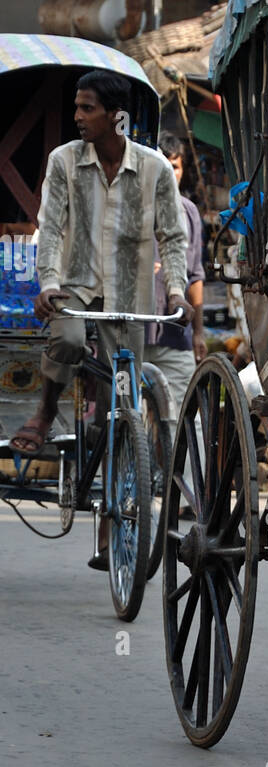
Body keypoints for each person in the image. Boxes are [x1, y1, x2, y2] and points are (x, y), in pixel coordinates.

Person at [9, 69, 190, 565]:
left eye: (87, 108)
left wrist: (176, 290)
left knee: (118, 409)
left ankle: (112, 523)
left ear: (117, 117)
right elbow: (50, 229)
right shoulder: (64, 162)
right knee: (66, 340)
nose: (77, 117)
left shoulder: (154, 170)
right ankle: (46, 410)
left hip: (129, 297)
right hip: (75, 288)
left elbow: (174, 238)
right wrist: (49, 283)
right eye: (76, 107)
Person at [143, 133, 207, 431]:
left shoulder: (189, 213)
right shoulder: (132, 208)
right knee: (132, 424)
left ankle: (183, 479)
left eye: (175, 167)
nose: (170, 174)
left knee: (184, 421)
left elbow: (195, 276)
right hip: (134, 333)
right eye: (163, 166)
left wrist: (199, 333)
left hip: (175, 335)